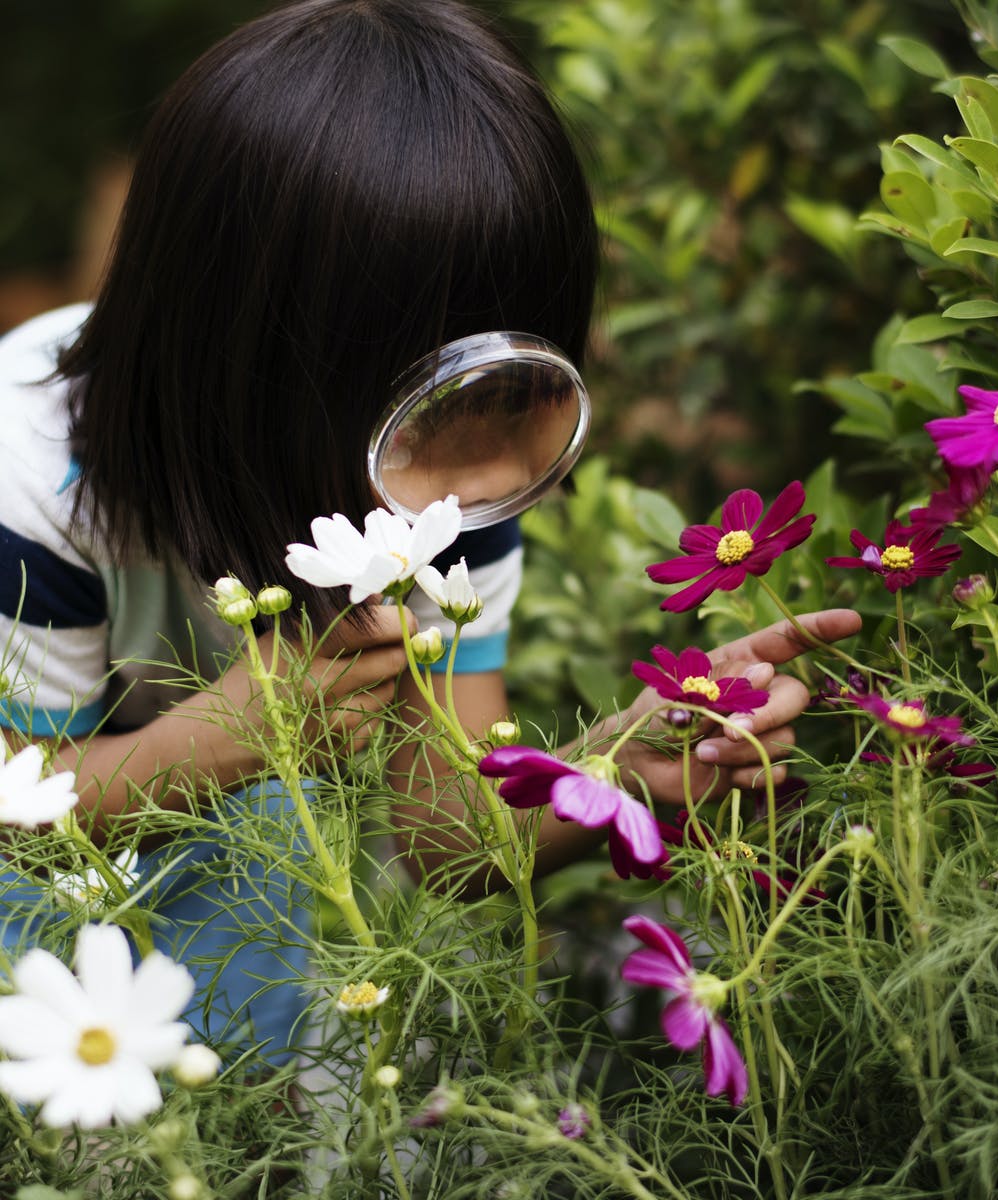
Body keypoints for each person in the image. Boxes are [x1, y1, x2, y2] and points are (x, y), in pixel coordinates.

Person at [0, 0, 859, 1066]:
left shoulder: (459, 486)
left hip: (291, 997)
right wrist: (228, 734)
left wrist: (615, 770)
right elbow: (18, 814)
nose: (491, 474)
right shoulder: (33, 479)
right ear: (248, 363)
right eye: (441, 403)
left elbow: (444, 837)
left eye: (516, 396)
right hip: (50, 1009)